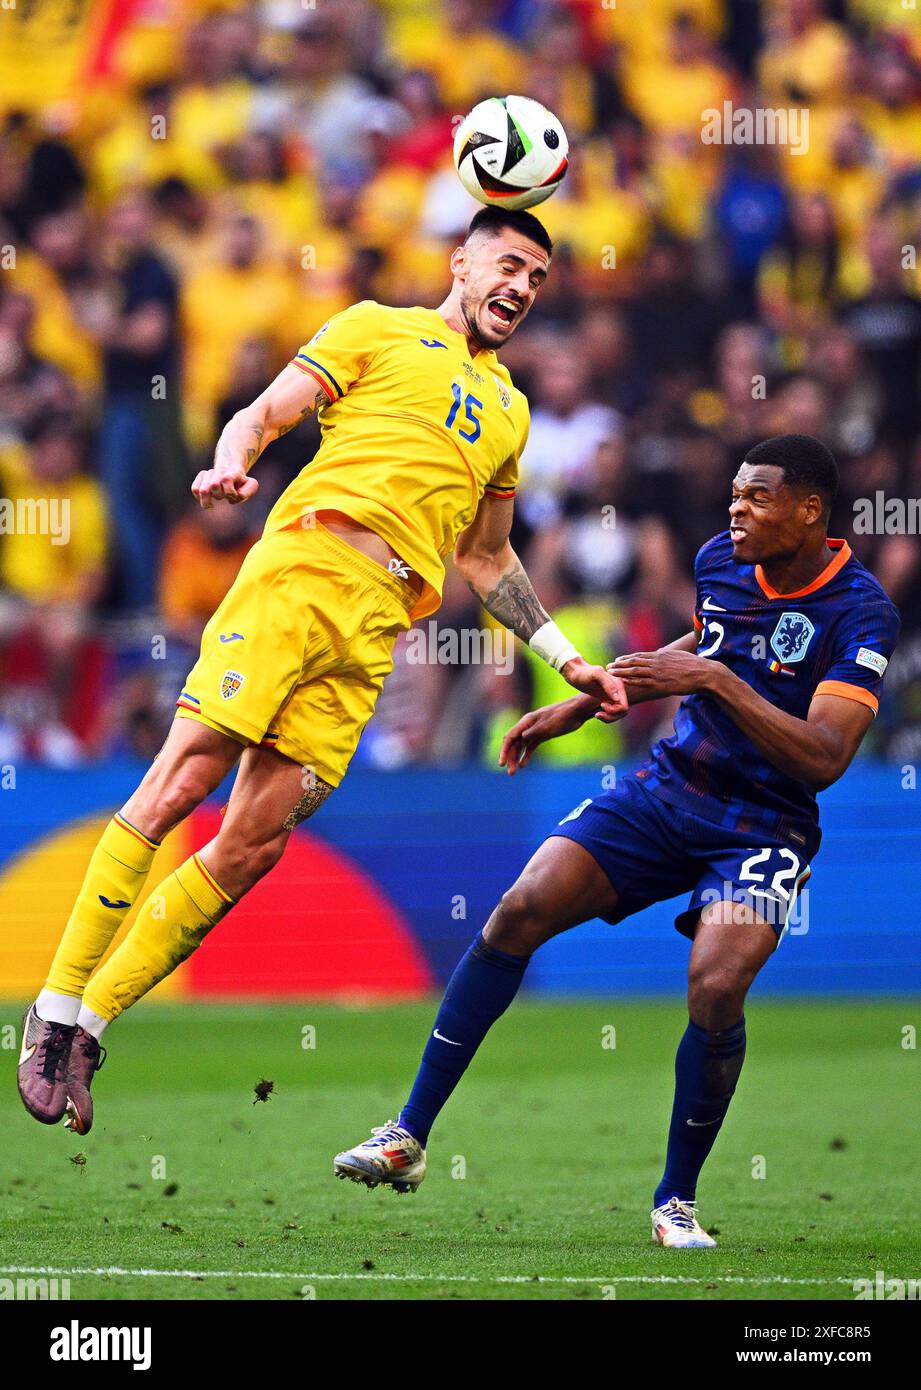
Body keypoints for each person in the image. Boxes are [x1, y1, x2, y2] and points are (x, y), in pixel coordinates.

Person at [17, 206, 625, 1136]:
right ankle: (53, 1008)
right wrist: (228, 465)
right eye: (507, 264)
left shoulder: (510, 411)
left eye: (536, 280)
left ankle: (95, 1024)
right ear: (460, 261)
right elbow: (262, 414)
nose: (520, 288)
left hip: (376, 628)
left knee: (255, 842)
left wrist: (566, 657)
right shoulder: (376, 326)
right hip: (303, 573)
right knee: (182, 779)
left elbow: (488, 560)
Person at [334, 433, 900, 1249]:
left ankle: (674, 1201)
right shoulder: (718, 560)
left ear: (809, 511)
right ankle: (406, 1137)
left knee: (713, 987)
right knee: (518, 909)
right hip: (668, 790)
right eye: (734, 493)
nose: (735, 508)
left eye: (757, 497)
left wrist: (713, 680)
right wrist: (587, 697)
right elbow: (700, 644)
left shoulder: (858, 610)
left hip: (763, 824)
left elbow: (822, 757)